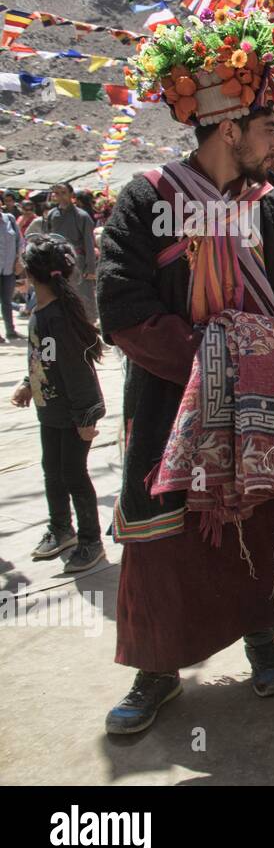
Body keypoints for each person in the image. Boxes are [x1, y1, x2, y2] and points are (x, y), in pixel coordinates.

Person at [96, 10, 274, 735]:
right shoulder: (147, 200)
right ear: (230, 128)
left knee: (262, 527)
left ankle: (264, 637)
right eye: (271, 129)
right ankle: (157, 667)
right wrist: (218, 358)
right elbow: (124, 307)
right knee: (164, 541)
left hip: (269, 410)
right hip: (172, 406)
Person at [10, 236, 106, 572]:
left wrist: (86, 418)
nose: (18, 267)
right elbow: (41, 356)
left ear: (33, 273)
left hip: (73, 412)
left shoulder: (59, 318)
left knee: (73, 475)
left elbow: (76, 371)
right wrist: (27, 382)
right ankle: (62, 529)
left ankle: (91, 540)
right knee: (52, 471)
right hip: (49, 409)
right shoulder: (40, 309)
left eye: (22, 262)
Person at [43, 183, 97, 325]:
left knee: (84, 298)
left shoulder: (82, 216)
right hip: (56, 260)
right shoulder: (52, 215)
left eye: (63, 192)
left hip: (78, 261)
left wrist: (90, 268)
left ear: (71, 194)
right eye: (57, 193)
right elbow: (46, 239)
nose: (60, 196)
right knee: (60, 296)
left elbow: (89, 243)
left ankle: (90, 332)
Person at [0, 202, 20, 340]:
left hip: (8, 267)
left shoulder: (10, 219)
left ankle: (10, 330)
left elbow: (20, 241)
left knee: (7, 300)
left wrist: (18, 260)